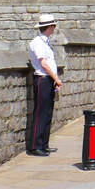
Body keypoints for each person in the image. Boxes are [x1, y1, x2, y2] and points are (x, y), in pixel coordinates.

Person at [27, 14, 62, 156]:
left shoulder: (46, 42)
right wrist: (56, 78)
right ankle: (35, 146)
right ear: (49, 27)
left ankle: (44, 143)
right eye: (53, 26)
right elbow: (43, 64)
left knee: (47, 113)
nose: (54, 29)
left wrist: (55, 79)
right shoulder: (38, 42)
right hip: (42, 79)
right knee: (41, 113)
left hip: (49, 79)